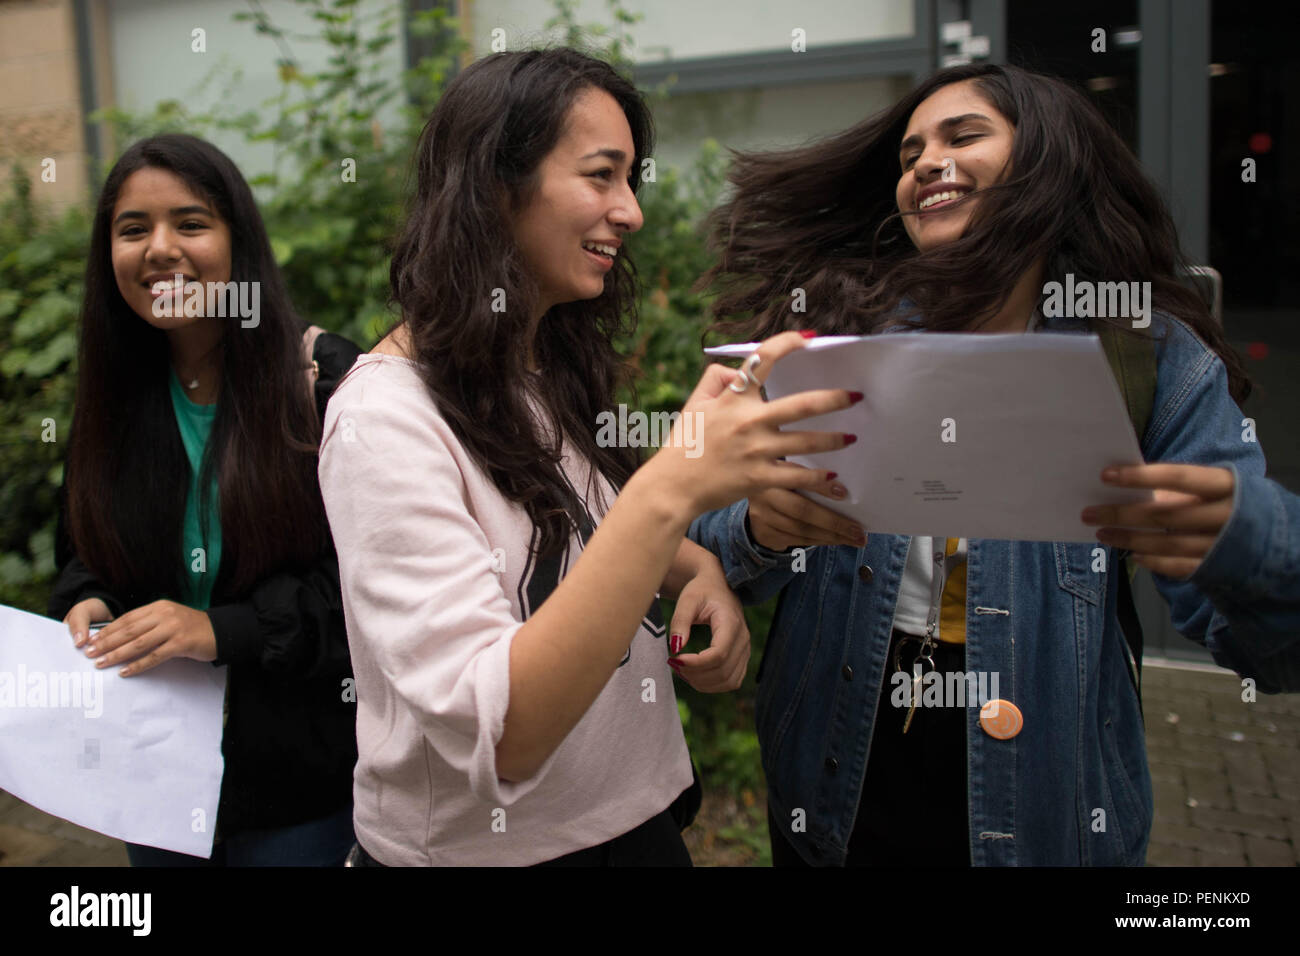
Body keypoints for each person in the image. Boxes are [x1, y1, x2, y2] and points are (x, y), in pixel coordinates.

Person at [688, 63, 1300, 866]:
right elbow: (702, 528)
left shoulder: (1142, 359)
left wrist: (1239, 535)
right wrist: (759, 529)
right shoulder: (830, 344)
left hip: (1049, 796)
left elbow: (1264, 648)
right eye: (910, 154)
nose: (925, 164)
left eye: (962, 136)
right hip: (839, 772)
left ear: (1045, 161)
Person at [316, 48, 856, 866]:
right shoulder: (383, 419)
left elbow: (583, 524)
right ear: (495, 186)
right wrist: (671, 490)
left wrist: (693, 570)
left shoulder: (539, 371)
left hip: (635, 822)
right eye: (602, 175)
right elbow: (505, 734)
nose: (630, 211)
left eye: (631, 179)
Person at [48, 134, 362, 866]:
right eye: (133, 229)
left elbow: (372, 587)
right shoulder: (111, 398)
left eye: (191, 223)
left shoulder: (323, 381)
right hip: (153, 784)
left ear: (238, 243)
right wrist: (87, 598)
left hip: (304, 795)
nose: (160, 249)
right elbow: (83, 552)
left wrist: (221, 630)